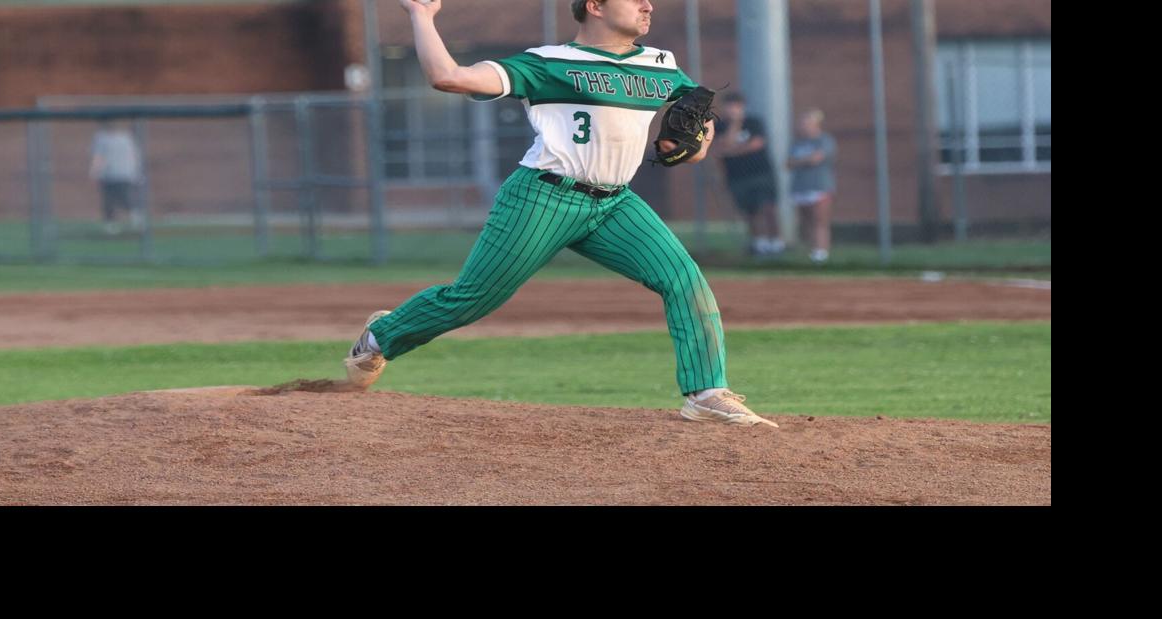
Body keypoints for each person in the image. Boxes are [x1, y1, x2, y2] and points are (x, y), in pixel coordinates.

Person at [344, 0, 777, 428]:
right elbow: (448, 77)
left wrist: (701, 138)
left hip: (614, 203)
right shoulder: (550, 63)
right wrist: (421, 16)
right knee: (471, 299)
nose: (648, 5)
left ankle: (707, 393)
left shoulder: (659, 63)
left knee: (683, 279)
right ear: (596, 6)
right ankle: (381, 336)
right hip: (542, 197)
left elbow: (696, 108)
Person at [716, 92, 782, 257]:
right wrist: (735, 125)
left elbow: (756, 144)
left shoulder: (754, 123)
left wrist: (732, 151)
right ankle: (759, 243)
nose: (732, 110)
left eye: (736, 106)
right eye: (729, 106)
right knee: (750, 211)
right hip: (737, 176)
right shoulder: (720, 126)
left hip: (761, 173)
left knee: (769, 208)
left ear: (742, 107)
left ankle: (776, 243)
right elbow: (723, 145)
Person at [785, 109, 836, 264]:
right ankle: (813, 251)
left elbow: (817, 159)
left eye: (807, 123)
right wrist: (805, 160)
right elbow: (788, 163)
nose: (803, 126)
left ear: (816, 124)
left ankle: (822, 253)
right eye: (802, 123)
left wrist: (800, 161)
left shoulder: (824, 140)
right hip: (800, 187)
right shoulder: (798, 142)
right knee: (806, 221)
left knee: (819, 220)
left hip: (819, 186)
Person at [89, 120, 142, 235]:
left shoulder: (118, 138)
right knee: (112, 201)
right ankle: (112, 226)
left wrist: (94, 171)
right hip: (115, 174)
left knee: (121, 199)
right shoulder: (120, 138)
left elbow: (98, 157)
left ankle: (135, 220)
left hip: (119, 173)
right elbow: (99, 157)